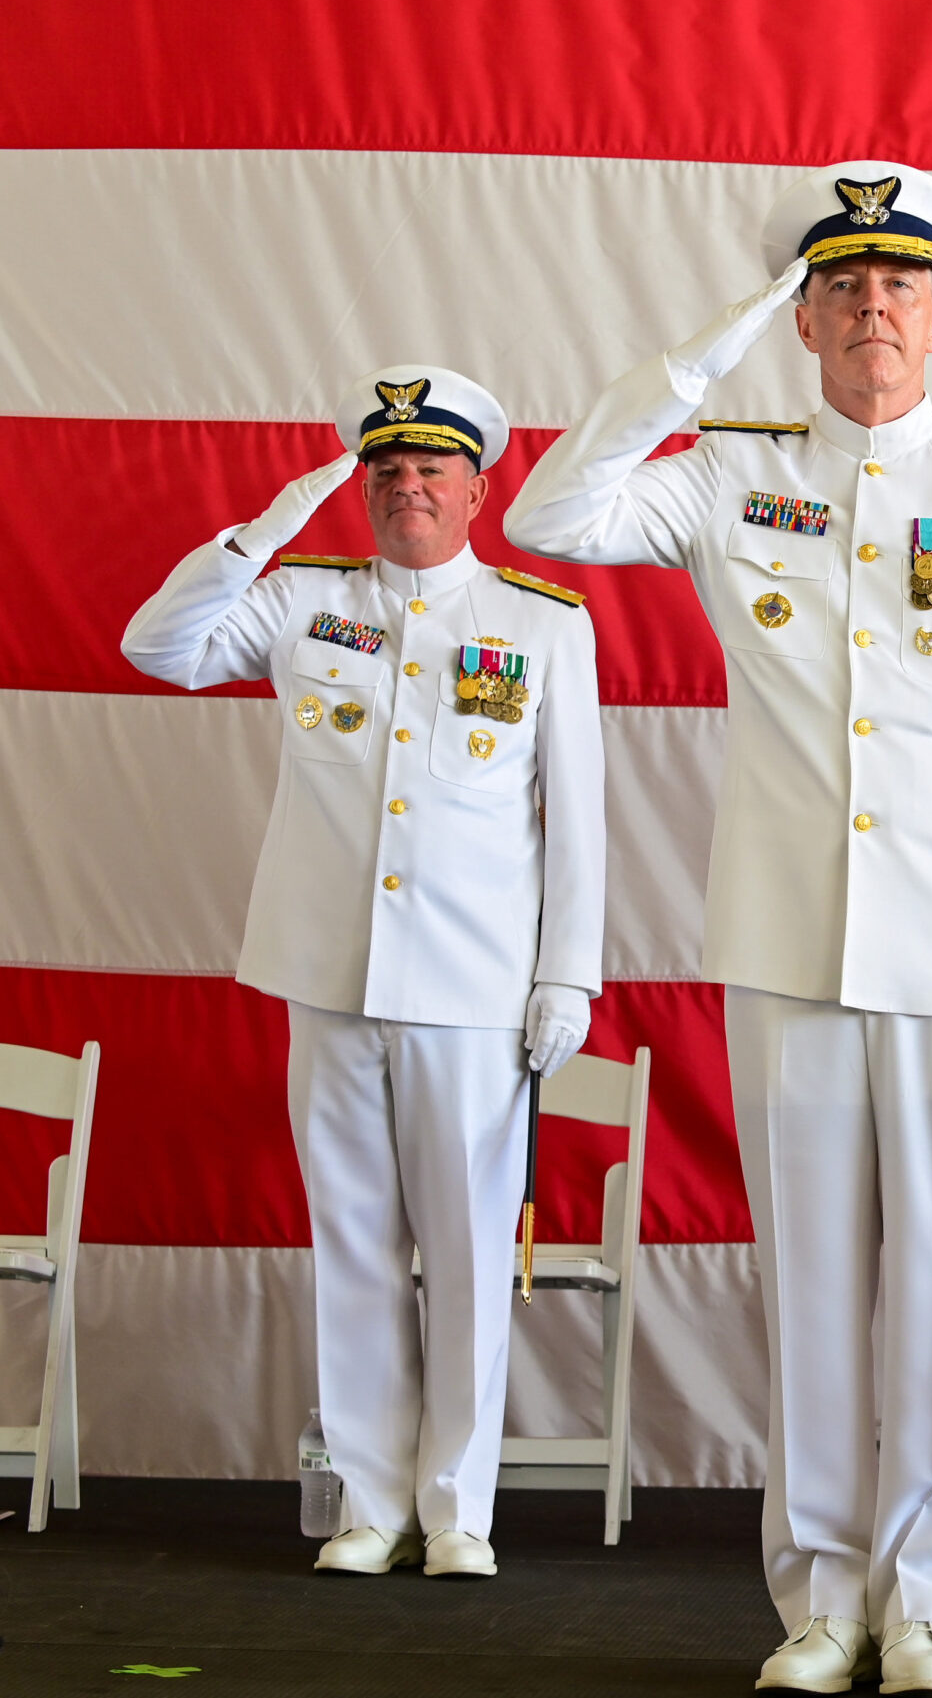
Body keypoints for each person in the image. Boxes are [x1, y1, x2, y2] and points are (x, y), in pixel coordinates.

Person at [505, 162, 932, 1695]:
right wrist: (696, 360)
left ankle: (928, 1604)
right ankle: (823, 1601)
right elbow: (550, 509)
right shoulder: (729, 474)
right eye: (840, 288)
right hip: (790, 944)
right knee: (816, 1289)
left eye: (899, 287)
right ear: (802, 319)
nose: (872, 312)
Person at [122, 366, 604, 1581]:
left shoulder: (541, 622)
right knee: (351, 1247)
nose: (407, 488)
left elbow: (579, 822)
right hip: (328, 974)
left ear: (477, 488)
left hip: (473, 990)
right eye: (387, 469)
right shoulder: (302, 602)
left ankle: (456, 1509)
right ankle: (372, 1502)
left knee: (468, 1252)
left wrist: (568, 976)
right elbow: (157, 646)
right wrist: (256, 535)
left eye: (432, 468)